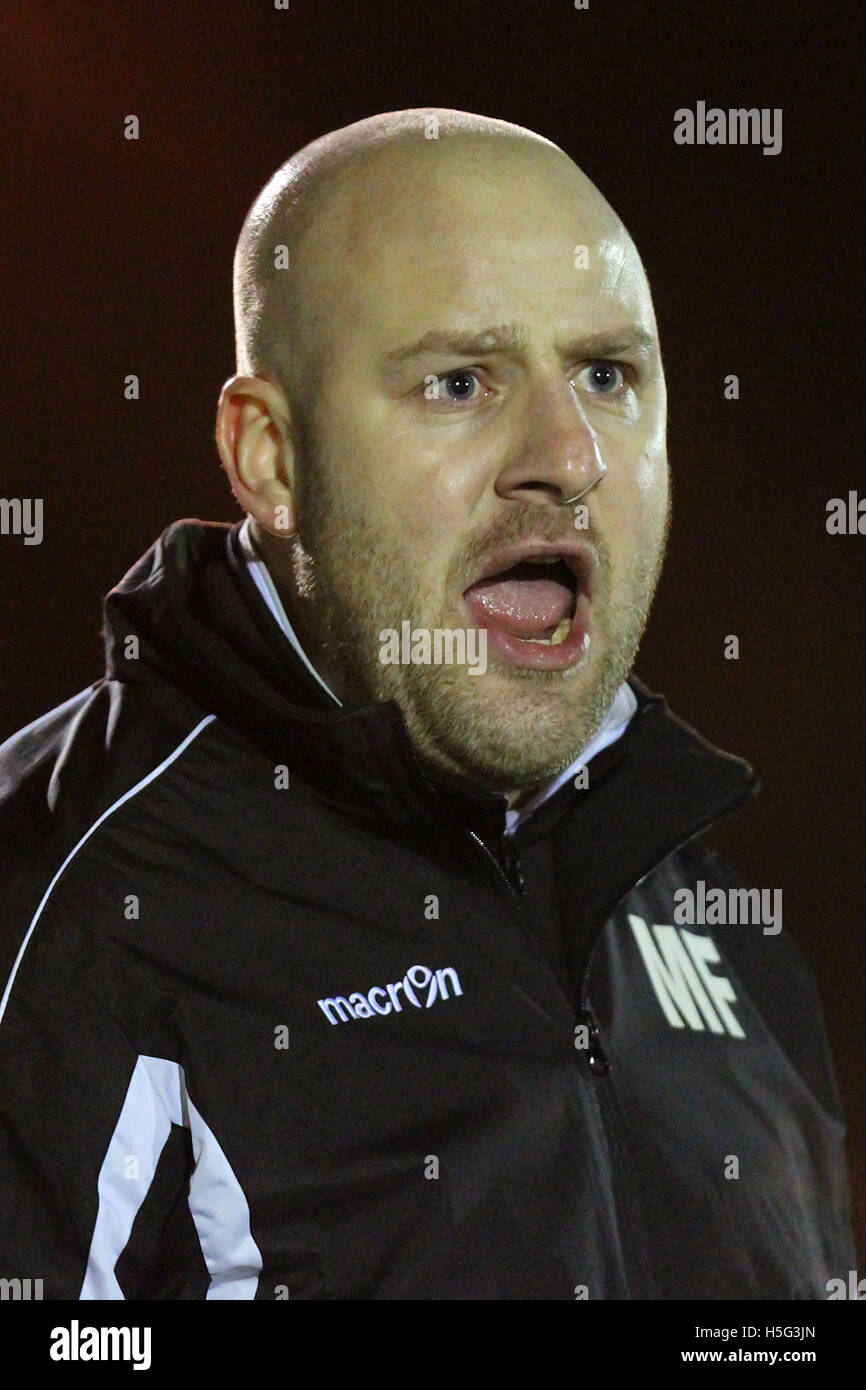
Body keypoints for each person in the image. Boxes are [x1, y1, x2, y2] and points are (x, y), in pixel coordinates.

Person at [0, 108, 854, 1299]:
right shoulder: (67, 907)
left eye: (606, 376)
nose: (567, 453)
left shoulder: (712, 905)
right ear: (271, 461)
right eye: (458, 382)